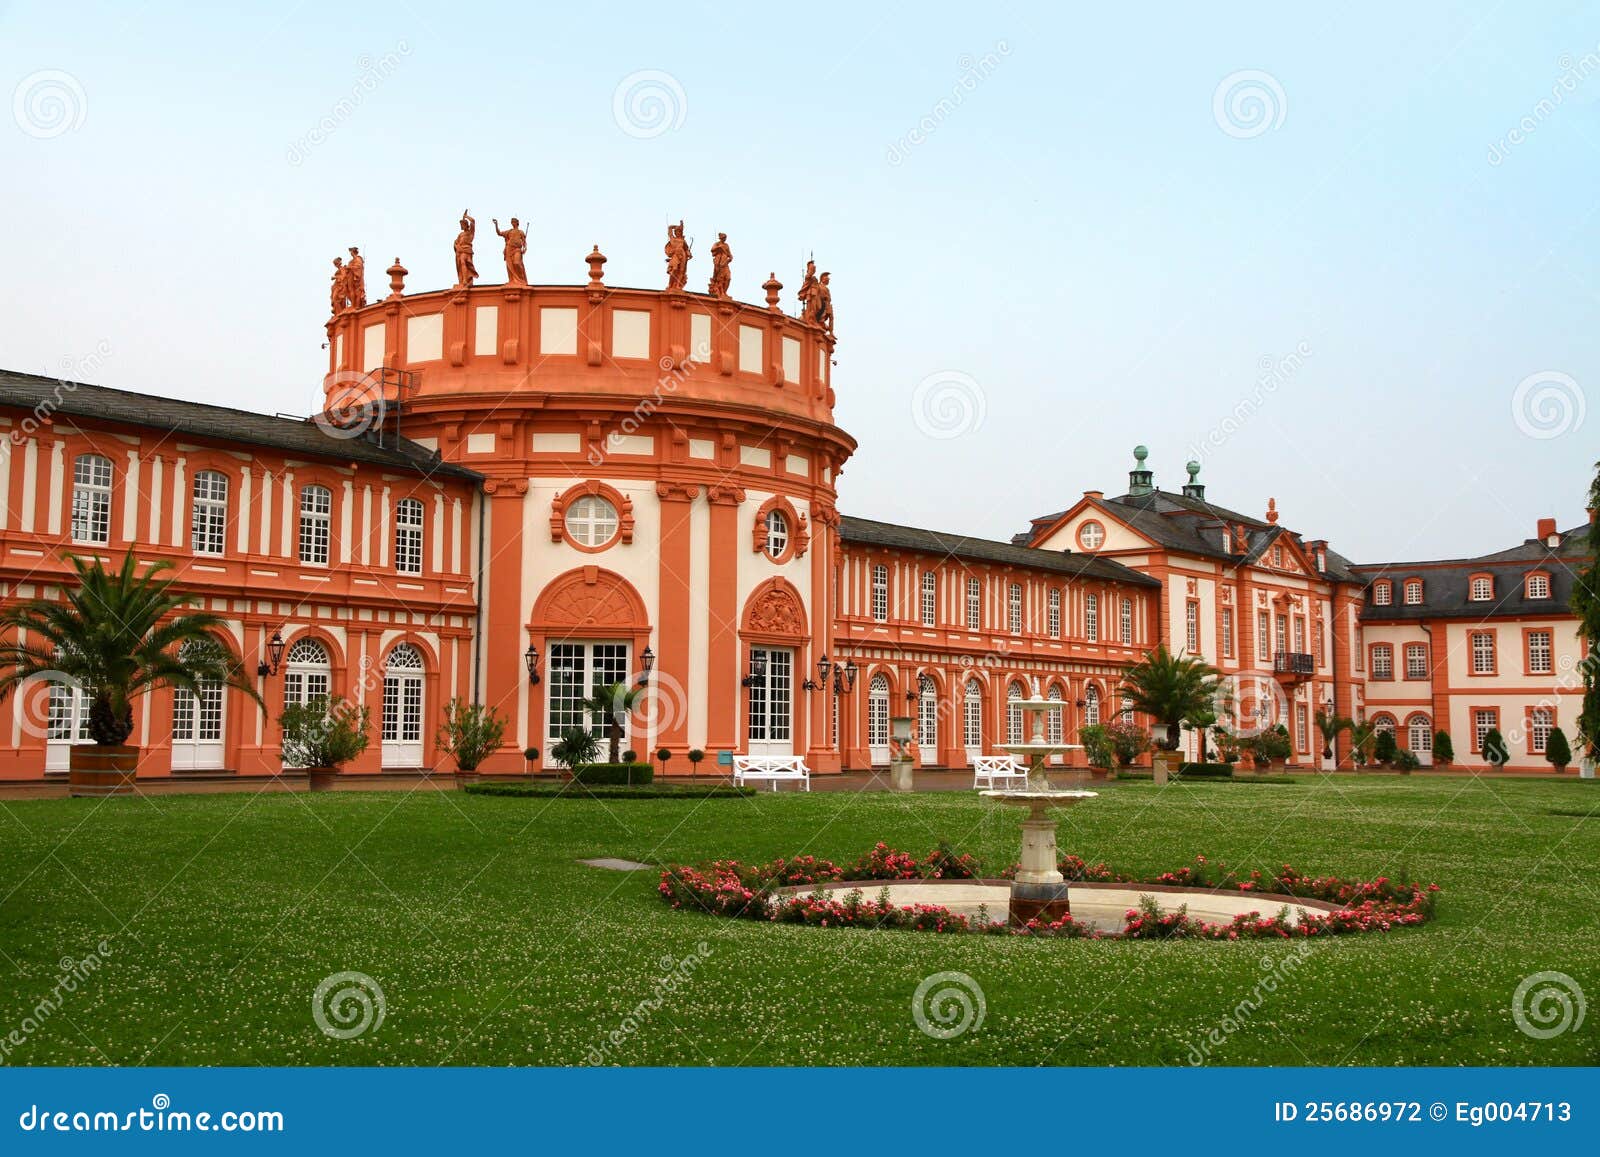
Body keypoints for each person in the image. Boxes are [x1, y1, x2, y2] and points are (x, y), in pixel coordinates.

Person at [493, 217, 528, 285]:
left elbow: (524, 242)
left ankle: (521, 279)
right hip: (509, 249)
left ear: (517, 223)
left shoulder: (521, 232)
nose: (513, 223)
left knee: (517, 263)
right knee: (510, 266)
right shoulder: (509, 231)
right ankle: (512, 280)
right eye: (512, 222)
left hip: (517, 249)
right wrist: (496, 224)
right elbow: (499, 233)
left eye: (514, 222)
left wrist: (525, 248)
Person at [664, 221, 691, 291]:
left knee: (681, 271)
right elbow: (669, 228)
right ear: (675, 232)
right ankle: (670, 285)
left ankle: (678, 285)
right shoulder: (672, 238)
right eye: (677, 231)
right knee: (674, 270)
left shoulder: (683, 240)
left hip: (683, 255)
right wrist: (678, 226)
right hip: (675, 255)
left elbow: (686, 249)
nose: (678, 232)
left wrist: (689, 254)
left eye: (679, 231)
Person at [454, 210, 478, 288]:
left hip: (467, 249)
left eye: (462, 225)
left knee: (464, 262)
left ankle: (465, 279)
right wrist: (456, 246)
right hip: (460, 250)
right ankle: (464, 279)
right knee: (461, 263)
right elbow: (456, 242)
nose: (461, 226)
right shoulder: (460, 234)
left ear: (465, 225)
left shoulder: (470, 232)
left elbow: (473, 221)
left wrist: (466, 216)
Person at [707, 232, 732, 297]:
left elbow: (730, 254)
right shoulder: (717, 244)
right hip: (718, 261)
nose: (724, 239)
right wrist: (719, 248)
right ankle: (721, 292)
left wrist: (730, 258)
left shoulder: (726, 245)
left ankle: (724, 291)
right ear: (721, 238)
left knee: (728, 278)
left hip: (725, 262)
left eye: (725, 238)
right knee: (719, 277)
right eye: (723, 238)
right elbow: (712, 250)